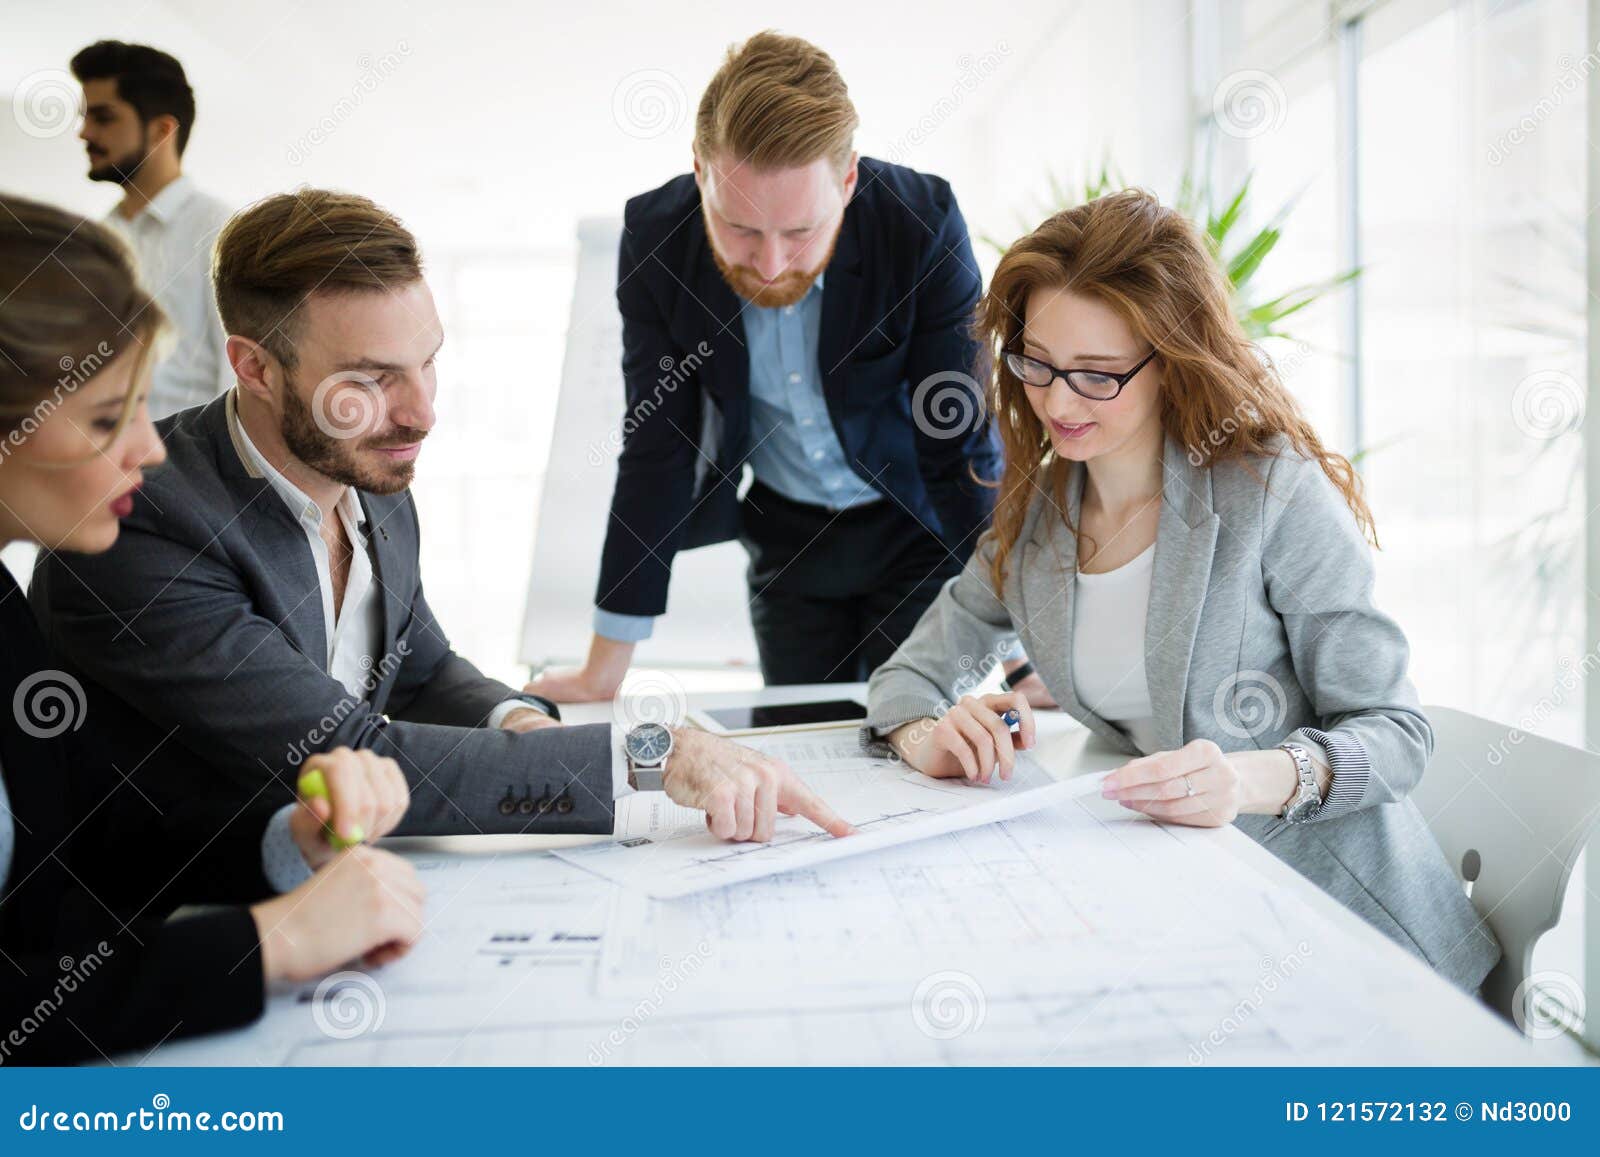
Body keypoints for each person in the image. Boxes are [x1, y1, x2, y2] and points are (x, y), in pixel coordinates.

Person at [30, 188, 849, 847]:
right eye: (373, 377)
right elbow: (354, 749)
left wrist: (523, 721)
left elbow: (419, 669)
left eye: (428, 362)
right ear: (254, 366)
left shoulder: (371, 470)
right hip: (176, 931)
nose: (422, 413)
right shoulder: (138, 523)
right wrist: (650, 754)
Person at [864, 189, 1500, 991]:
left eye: (1098, 375)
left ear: (1173, 358)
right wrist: (932, 738)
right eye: (1037, 364)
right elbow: (905, 683)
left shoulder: (1268, 493)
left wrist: (1252, 778)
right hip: (1200, 929)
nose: (1058, 401)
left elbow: (1400, 732)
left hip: (1353, 937)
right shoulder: (1038, 519)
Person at [0, 194, 426, 1064]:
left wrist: (284, 844)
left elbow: (87, 854)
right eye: (106, 417)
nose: (148, 449)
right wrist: (268, 944)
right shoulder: (132, 551)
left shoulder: (4, 616)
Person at [528, 31, 1027, 700]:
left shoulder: (919, 224)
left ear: (847, 180)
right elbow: (658, 449)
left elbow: (959, 439)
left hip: (917, 526)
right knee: (798, 740)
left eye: (799, 232)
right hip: (787, 543)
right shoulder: (657, 241)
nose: (768, 266)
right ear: (700, 172)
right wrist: (603, 669)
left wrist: (1021, 646)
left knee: (914, 732)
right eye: (739, 228)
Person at [73, 40, 234, 419]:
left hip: (184, 466)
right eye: (85, 117)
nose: (84, 133)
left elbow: (240, 371)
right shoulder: (94, 240)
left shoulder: (221, 232)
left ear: (162, 129)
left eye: (103, 117)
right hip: (98, 462)